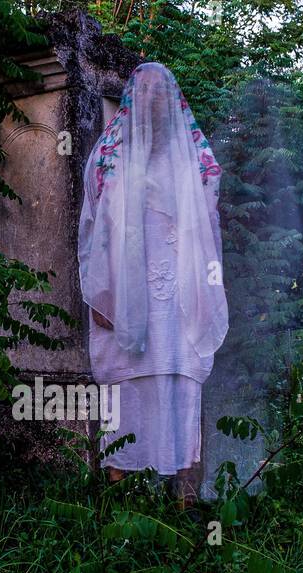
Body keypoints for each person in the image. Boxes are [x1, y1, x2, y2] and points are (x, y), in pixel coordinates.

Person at [77, 61, 228, 505]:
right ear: (132, 101)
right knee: (125, 398)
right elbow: (90, 228)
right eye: (146, 96)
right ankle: (118, 507)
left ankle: (184, 502)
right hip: (123, 301)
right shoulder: (107, 158)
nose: (153, 104)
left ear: (172, 104)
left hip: (178, 302)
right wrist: (100, 297)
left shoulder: (195, 159)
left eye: (161, 97)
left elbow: (207, 228)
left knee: (180, 388)